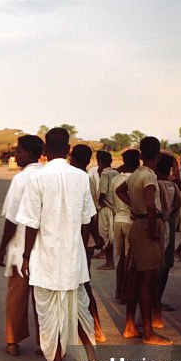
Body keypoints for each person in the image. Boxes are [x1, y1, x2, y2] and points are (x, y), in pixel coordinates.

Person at [17, 128, 98, 361]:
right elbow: (87, 220)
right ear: (69, 149)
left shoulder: (37, 179)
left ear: (45, 149)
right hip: (74, 257)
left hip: (46, 260)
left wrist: (26, 256)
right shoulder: (81, 177)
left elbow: (31, 223)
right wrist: (80, 250)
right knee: (79, 310)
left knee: (48, 314)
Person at [117, 136, 171, 345]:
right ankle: (148, 332)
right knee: (147, 282)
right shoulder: (149, 176)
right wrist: (152, 225)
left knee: (136, 278)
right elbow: (151, 204)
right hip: (148, 225)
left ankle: (130, 325)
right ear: (158, 155)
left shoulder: (136, 174)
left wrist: (134, 207)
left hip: (137, 225)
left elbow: (119, 190)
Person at [0, 134, 44, 356]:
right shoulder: (46, 176)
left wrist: (1, 247)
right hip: (43, 248)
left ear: (32, 154)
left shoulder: (21, 179)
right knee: (42, 297)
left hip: (20, 247)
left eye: (19, 151)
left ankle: (13, 342)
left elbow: (11, 219)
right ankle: (44, 342)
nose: (15, 155)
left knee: (17, 295)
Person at [69, 144, 106, 343]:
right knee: (83, 285)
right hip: (85, 240)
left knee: (83, 286)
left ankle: (96, 328)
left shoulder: (82, 179)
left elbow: (89, 216)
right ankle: (92, 328)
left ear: (72, 159)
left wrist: (83, 245)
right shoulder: (86, 178)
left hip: (82, 242)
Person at [110, 149, 139, 303]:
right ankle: (127, 292)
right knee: (130, 259)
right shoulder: (136, 179)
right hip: (130, 221)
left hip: (117, 220)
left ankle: (118, 290)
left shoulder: (116, 179)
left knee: (120, 258)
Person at [156, 154, 181, 312]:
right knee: (164, 265)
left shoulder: (153, 185)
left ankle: (152, 301)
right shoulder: (173, 186)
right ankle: (157, 300)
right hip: (168, 227)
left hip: (155, 227)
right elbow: (178, 205)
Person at [94, 150, 118, 269]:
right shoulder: (116, 172)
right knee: (111, 235)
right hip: (115, 207)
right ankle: (110, 260)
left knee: (105, 235)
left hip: (105, 208)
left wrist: (98, 204)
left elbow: (102, 192)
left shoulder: (105, 174)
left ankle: (109, 262)